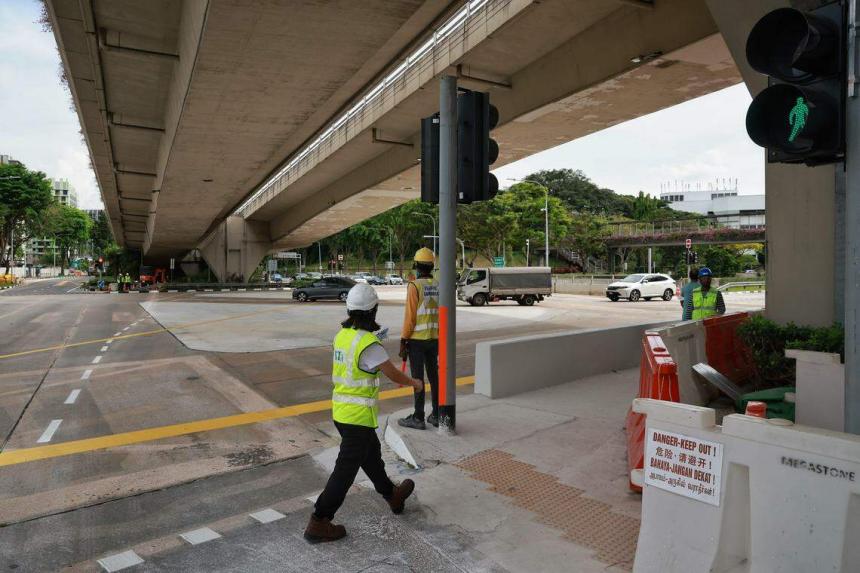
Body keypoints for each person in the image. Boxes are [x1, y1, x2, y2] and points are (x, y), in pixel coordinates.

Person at [305, 283, 424, 544]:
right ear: (373, 311)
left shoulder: (342, 336)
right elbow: (392, 373)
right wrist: (415, 383)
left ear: (350, 309)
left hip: (342, 412)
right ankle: (319, 520)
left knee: (371, 457)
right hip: (357, 417)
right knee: (345, 471)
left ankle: (392, 495)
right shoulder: (370, 344)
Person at [397, 247, 440, 430]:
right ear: (432, 266)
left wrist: (403, 339)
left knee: (417, 379)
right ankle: (437, 414)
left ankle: (418, 417)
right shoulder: (438, 284)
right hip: (434, 339)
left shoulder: (414, 286)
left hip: (417, 341)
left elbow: (410, 318)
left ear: (416, 265)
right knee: (434, 377)